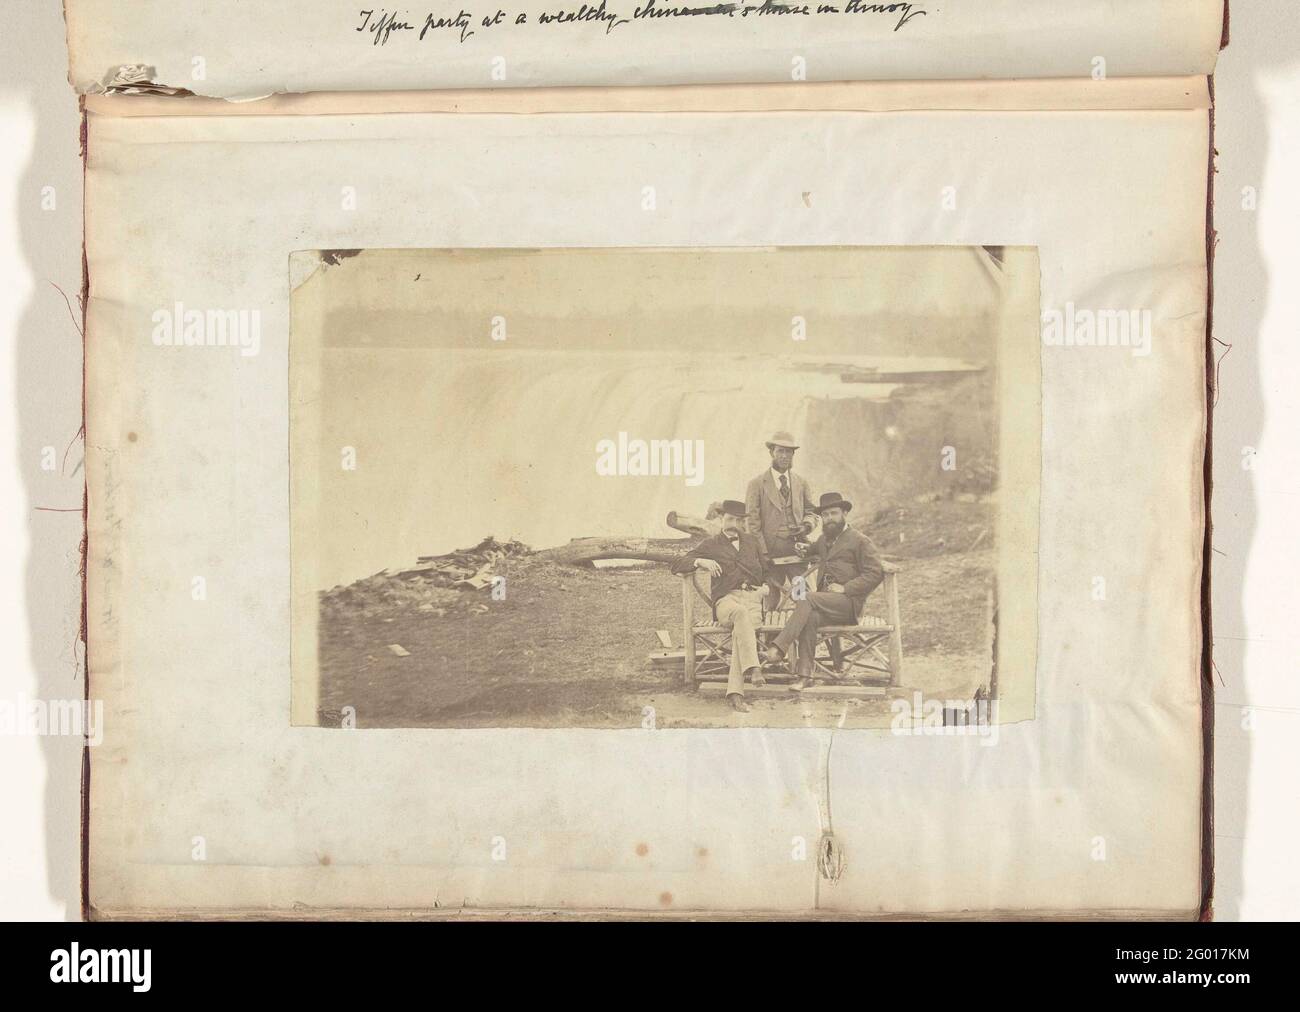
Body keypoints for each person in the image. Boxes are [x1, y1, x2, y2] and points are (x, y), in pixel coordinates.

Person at [765, 492, 885, 690]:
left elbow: (875, 573)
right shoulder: (824, 540)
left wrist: (846, 588)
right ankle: (805, 676)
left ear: (844, 513)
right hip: (826, 605)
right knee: (809, 618)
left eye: (834, 514)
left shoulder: (860, 540)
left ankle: (779, 647)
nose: (829, 519)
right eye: (826, 515)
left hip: (848, 605)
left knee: (807, 598)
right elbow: (812, 549)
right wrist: (804, 549)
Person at [671, 500, 770, 712]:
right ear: (721, 519)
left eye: (738, 520)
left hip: (752, 600)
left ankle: (735, 693)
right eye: (729, 519)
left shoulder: (752, 542)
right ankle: (753, 668)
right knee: (740, 615)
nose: (733, 524)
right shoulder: (711, 544)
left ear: (743, 522)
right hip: (726, 602)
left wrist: (766, 587)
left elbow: (767, 569)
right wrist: (700, 562)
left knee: (740, 631)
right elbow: (677, 564)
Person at [744, 431, 819, 613]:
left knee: (801, 596)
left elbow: (812, 513)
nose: (785, 456)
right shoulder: (756, 484)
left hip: (797, 554)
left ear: (793, 454)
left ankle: (801, 636)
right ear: (772, 452)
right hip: (770, 556)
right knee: (770, 600)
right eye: (780, 451)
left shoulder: (801, 483)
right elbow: (752, 523)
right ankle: (769, 640)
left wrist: (806, 525)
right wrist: (762, 553)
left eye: (789, 452)